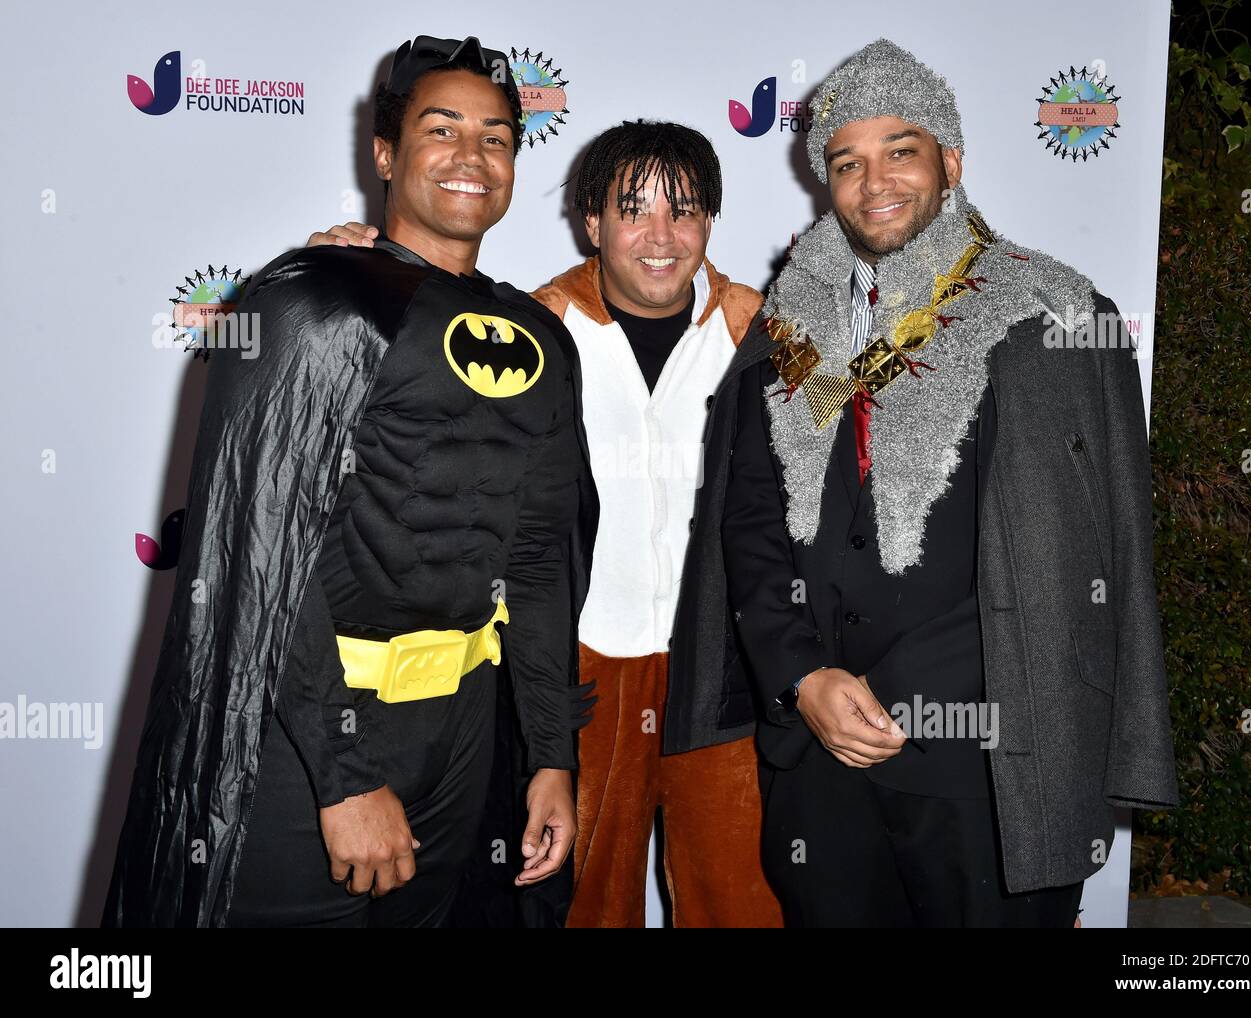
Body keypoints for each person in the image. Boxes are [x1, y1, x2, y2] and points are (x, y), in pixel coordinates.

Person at [667, 38, 1179, 927]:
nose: (875, 184)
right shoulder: (788, 326)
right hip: (822, 755)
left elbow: (1113, 555)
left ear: (951, 161)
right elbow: (748, 521)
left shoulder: (1054, 316)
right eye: (847, 162)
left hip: (991, 765)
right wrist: (800, 679)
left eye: (900, 152)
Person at [102, 34, 597, 928]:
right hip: (308, 738)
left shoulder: (540, 336)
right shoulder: (313, 302)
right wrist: (344, 774)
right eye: (441, 130)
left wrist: (551, 756)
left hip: (464, 740)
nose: (471, 157)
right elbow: (261, 554)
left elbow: (538, 563)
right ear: (385, 153)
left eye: (496, 136)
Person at [310, 120, 781, 927]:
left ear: (711, 222)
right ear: (591, 223)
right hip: (580, 668)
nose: (662, 237)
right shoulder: (532, 328)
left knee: (742, 903)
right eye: (634, 210)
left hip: (725, 668)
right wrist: (350, 267)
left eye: (687, 210)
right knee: (580, 907)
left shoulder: (760, 329)